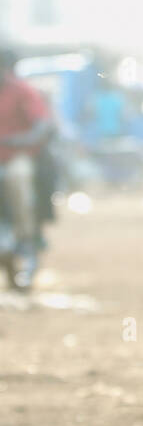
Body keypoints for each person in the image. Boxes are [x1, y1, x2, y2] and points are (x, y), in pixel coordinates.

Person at [0, 47, 54, 287]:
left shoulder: (22, 91)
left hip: (15, 156)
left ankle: (25, 233)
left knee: (17, 178)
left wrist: (23, 140)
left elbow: (42, 124)